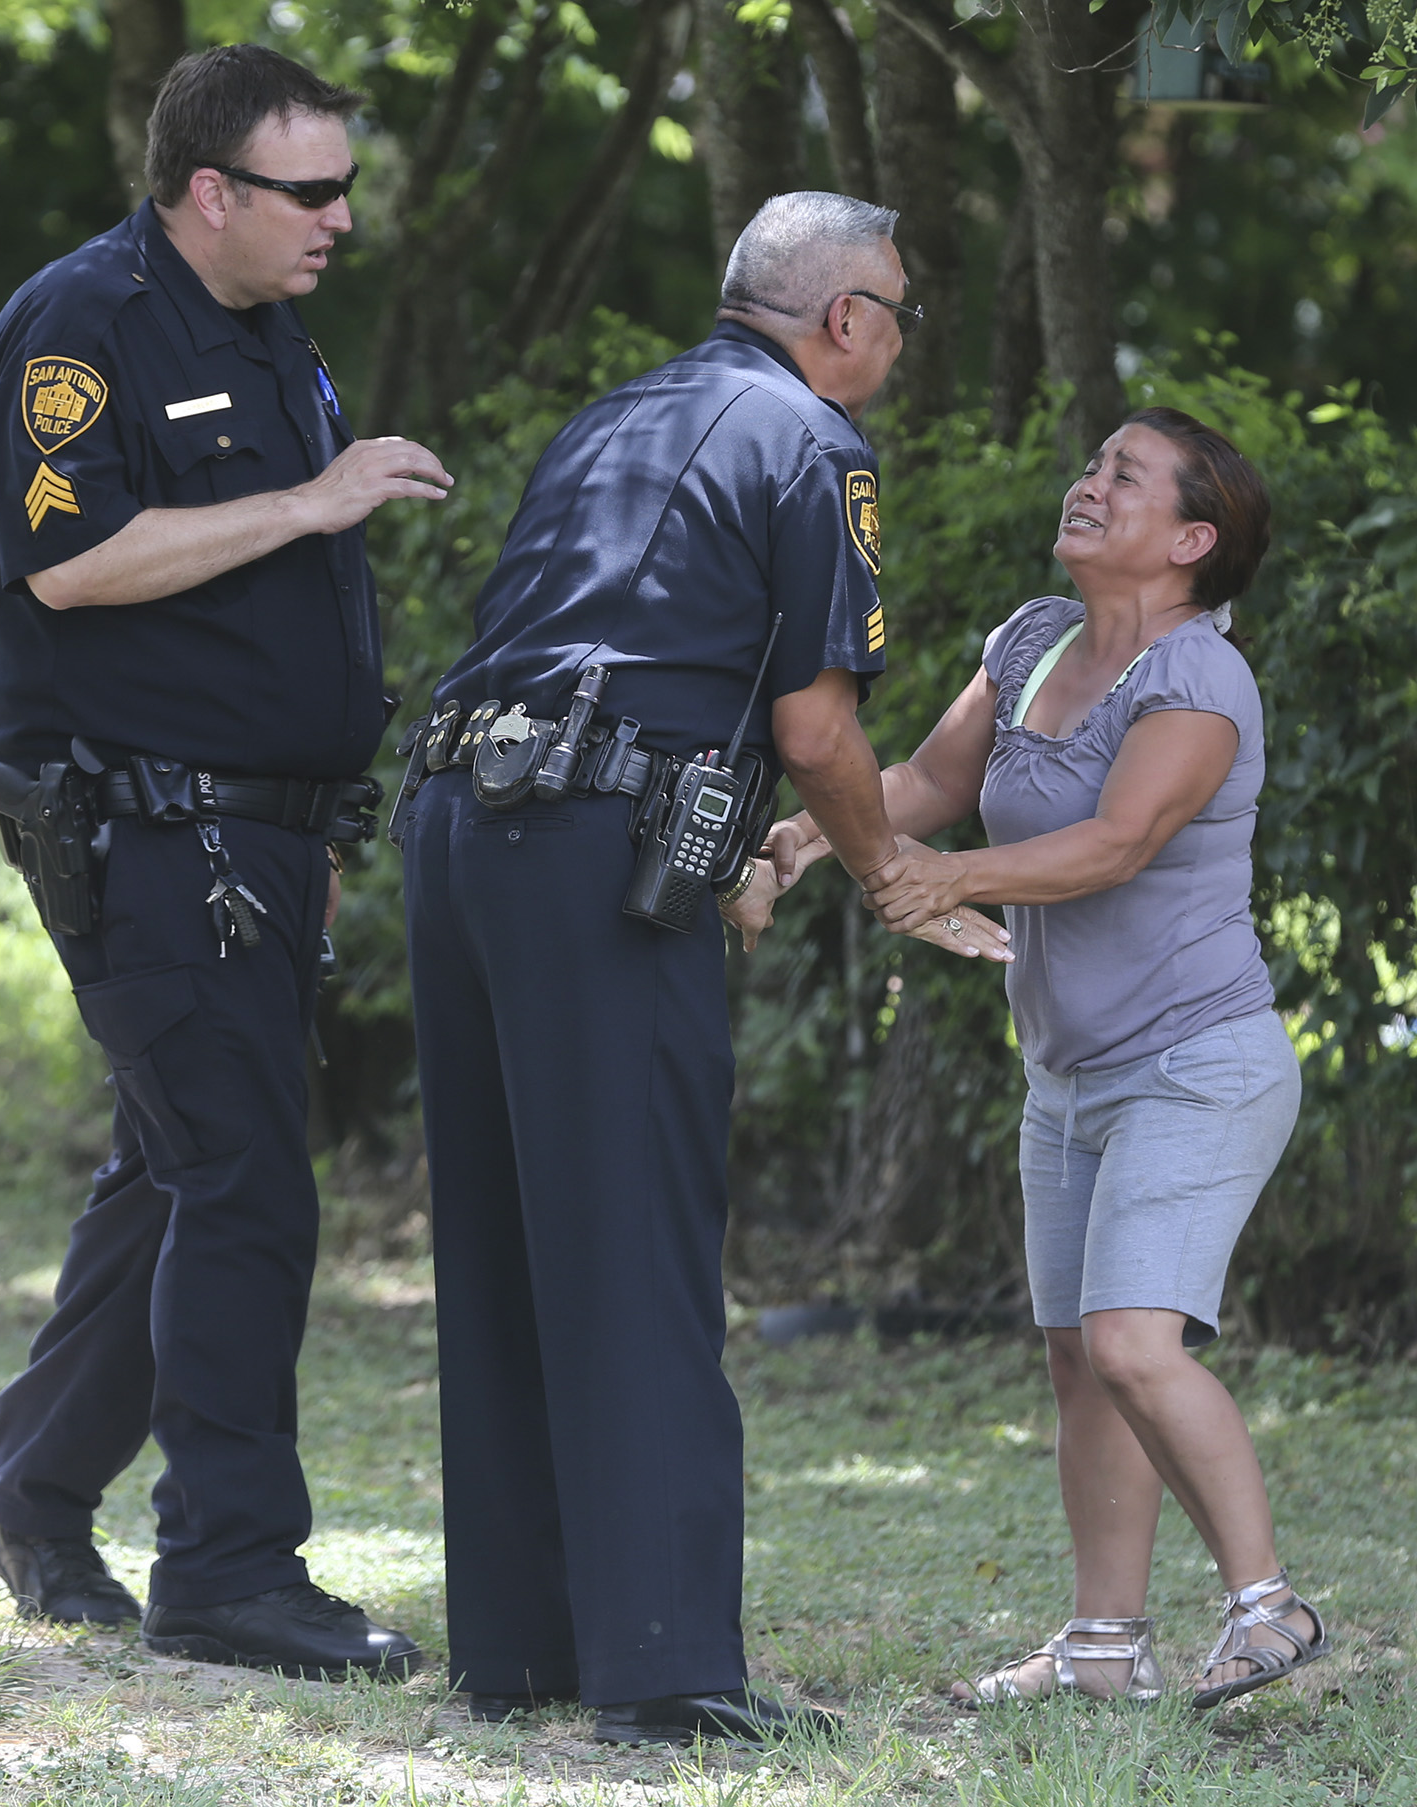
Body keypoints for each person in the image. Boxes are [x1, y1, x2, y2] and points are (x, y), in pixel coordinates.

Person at [395, 192, 1011, 1749]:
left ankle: (520, 1650)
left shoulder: (623, 416)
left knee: (508, 1240)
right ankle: (665, 1674)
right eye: (900, 312)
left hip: (466, 827)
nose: (895, 340)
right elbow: (815, 728)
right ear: (848, 320)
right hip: (592, 854)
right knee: (639, 1247)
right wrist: (892, 877)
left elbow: (613, 647)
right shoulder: (813, 442)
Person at [0, 43, 454, 1678]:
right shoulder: (81, 325)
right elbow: (72, 565)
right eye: (310, 192)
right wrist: (318, 502)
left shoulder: (262, 320)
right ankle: (230, 1569)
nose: (338, 220)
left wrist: (300, 815)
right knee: (243, 1187)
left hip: (247, 834)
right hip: (143, 822)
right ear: (209, 192)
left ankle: (30, 1489)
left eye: (344, 189)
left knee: (176, 1174)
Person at [773, 408, 1326, 1709]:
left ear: (1192, 540)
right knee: (1079, 1355)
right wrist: (810, 843)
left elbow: (1115, 844)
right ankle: (1100, 1648)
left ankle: (1270, 1607)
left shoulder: (1200, 680)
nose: (1088, 485)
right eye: (1092, 466)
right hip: (1067, 1075)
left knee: (1136, 1344)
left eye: (1121, 479)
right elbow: (917, 783)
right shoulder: (1031, 640)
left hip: (1197, 1066)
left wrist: (940, 879)